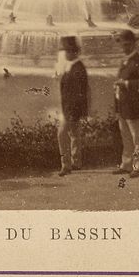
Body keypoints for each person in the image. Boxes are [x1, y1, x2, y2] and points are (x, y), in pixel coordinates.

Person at [112, 29, 139, 178]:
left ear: (134, 44)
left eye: (128, 44)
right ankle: (126, 165)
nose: (125, 47)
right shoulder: (124, 61)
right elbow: (120, 85)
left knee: (138, 139)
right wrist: (117, 108)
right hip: (124, 106)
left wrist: (126, 83)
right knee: (127, 138)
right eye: (123, 44)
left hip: (136, 107)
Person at [56, 36, 90, 176]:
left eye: (68, 51)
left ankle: (66, 165)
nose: (66, 54)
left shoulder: (77, 68)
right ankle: (77, 162)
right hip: (70, 107)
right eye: (66, 51)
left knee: (62, 134)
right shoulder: (73, 66)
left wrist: (71, 112)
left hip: (71, 109)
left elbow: (79, 93)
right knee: (75, 134)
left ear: (74, 52)